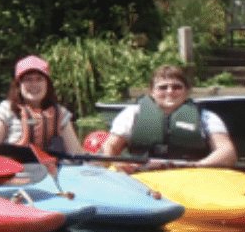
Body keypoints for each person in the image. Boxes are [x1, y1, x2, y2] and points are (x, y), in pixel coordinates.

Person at [99, 64, 237, 168]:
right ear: (152, 92)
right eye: (163, 87)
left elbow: (227, 152)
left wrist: (197, 166)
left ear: (187, 91)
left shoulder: (206, 117)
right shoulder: (131, 114)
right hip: (141, 175)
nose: (170, 91)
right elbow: (110, 146)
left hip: (190, 175)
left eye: (177, 87)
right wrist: (119, 164)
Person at [0, 55, 85, 156]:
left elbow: (76, 152)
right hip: (15, 173)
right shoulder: (7, 109)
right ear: (18, 85)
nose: (34, 85)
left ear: (47, 84)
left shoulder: (61, 113)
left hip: (51, 172)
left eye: (39, 79)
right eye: (28, 79)